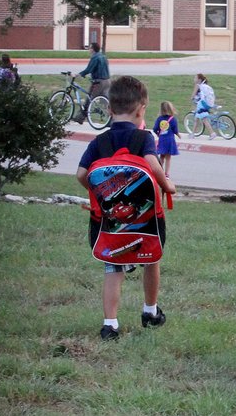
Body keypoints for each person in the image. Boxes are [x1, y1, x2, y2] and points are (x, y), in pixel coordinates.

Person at [76, 76, 177, 340]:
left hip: (109, 220)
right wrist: (168, 186)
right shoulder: (144, 138)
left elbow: (81, 174)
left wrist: (99, 192)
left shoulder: (99, 142)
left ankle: (110, 324)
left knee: (113, 267)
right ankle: (150, 311)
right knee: (151, 259)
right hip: (146, 220)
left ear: (109, 109)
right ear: (142, 109)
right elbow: (153, 167)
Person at [76, 41, 109, 121]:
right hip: (107, 81)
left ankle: (81, 117)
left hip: (98, 82)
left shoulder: (95, 58)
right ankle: (111, 119)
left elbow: (89, 69)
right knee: (105, 101)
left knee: (89, 98)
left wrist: (79, 74)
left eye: (90, 48)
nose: (89, 49)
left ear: (93, 49)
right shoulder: (103, 56)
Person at [152, 100, 180, 176]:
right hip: (170, 140)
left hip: (162, 140)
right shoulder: (172, 119)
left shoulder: (159, 119)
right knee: (168, 157)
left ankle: (160, 171)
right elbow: (175, 130)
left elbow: (155, 129)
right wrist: (178, 135)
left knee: (162, 156)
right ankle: (166, 173)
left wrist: (158, 134)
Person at [189, 74, 218, 139]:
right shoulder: (205, 86)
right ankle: (193, 134)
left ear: (199, 80)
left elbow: (193, 95)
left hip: (202, 104)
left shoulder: (197, 85)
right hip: (207, 103)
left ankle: (212, 133)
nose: (194, 79)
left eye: (195, 78)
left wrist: (191, 98)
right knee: (196, 118)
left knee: (204, 119)